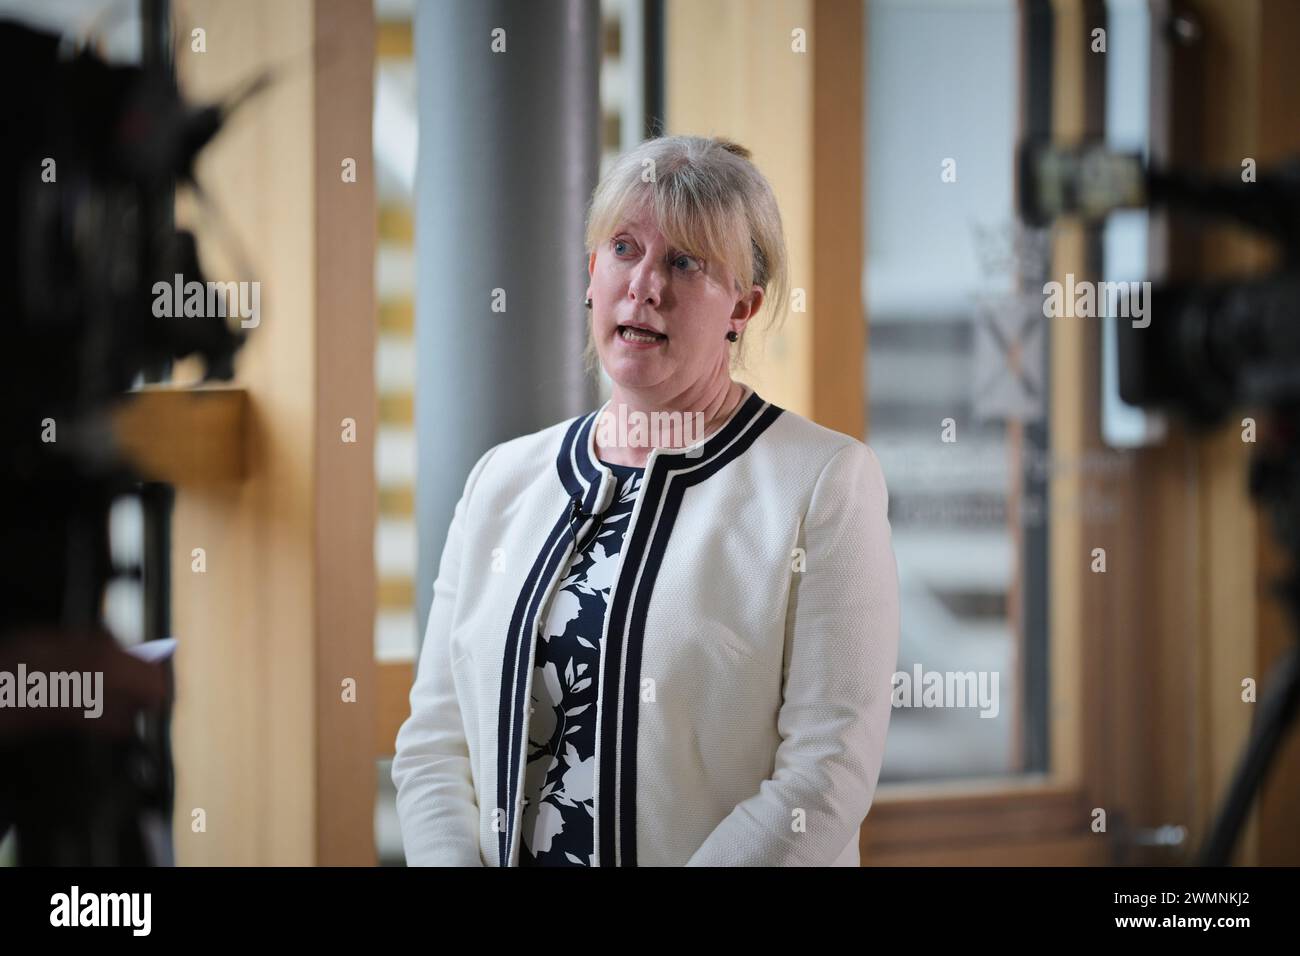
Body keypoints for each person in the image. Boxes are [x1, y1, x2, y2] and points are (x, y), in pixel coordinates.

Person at [393, 135, 900, 866]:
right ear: (591, 273)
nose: (645, 286)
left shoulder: (824, 483)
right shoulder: (500, 481)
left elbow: (826, 776)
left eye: (685, 262)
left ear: (743, 308)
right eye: (624, 249)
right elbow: (435, 745)